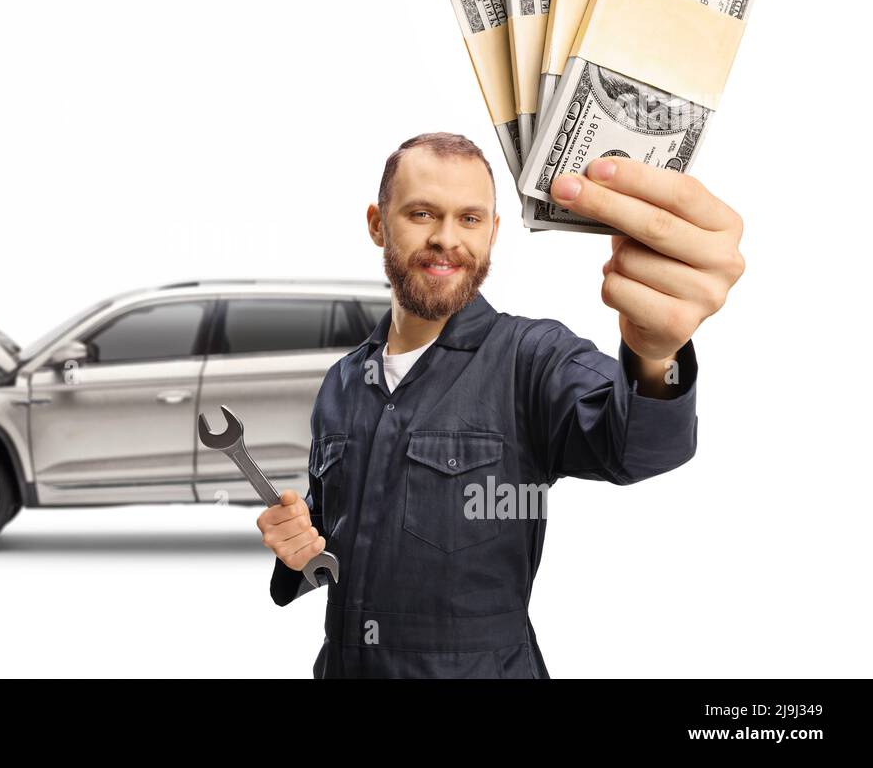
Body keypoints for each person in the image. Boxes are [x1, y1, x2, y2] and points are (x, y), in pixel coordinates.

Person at [257, 132, 745, 677]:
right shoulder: (342, 382)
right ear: (378, 223)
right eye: (422, 213)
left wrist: (657, 354)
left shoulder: (530, 360)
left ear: (492, 232)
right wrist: (296, 553)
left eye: (469, 219)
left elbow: (639, 448)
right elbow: (332, 541)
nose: (447, 239)